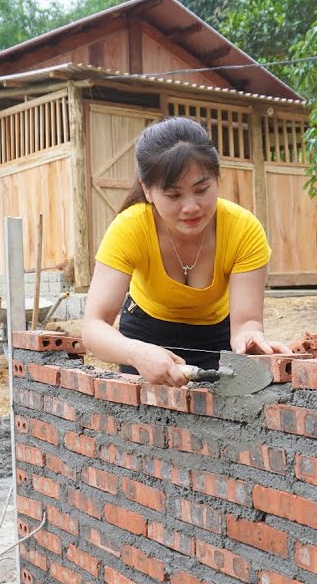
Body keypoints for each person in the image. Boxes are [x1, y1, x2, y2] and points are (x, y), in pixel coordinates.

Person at [82, 116, 289, 385]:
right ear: (147, 191)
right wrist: (136, 353)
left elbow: (246, 322)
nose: (191, 206)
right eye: (173, 196)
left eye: (201, 189)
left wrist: (250, 337)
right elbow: (93, 326)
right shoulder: (129, 228)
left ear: (217, 178)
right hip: (145, 333)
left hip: (216, 335)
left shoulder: (243, 230)